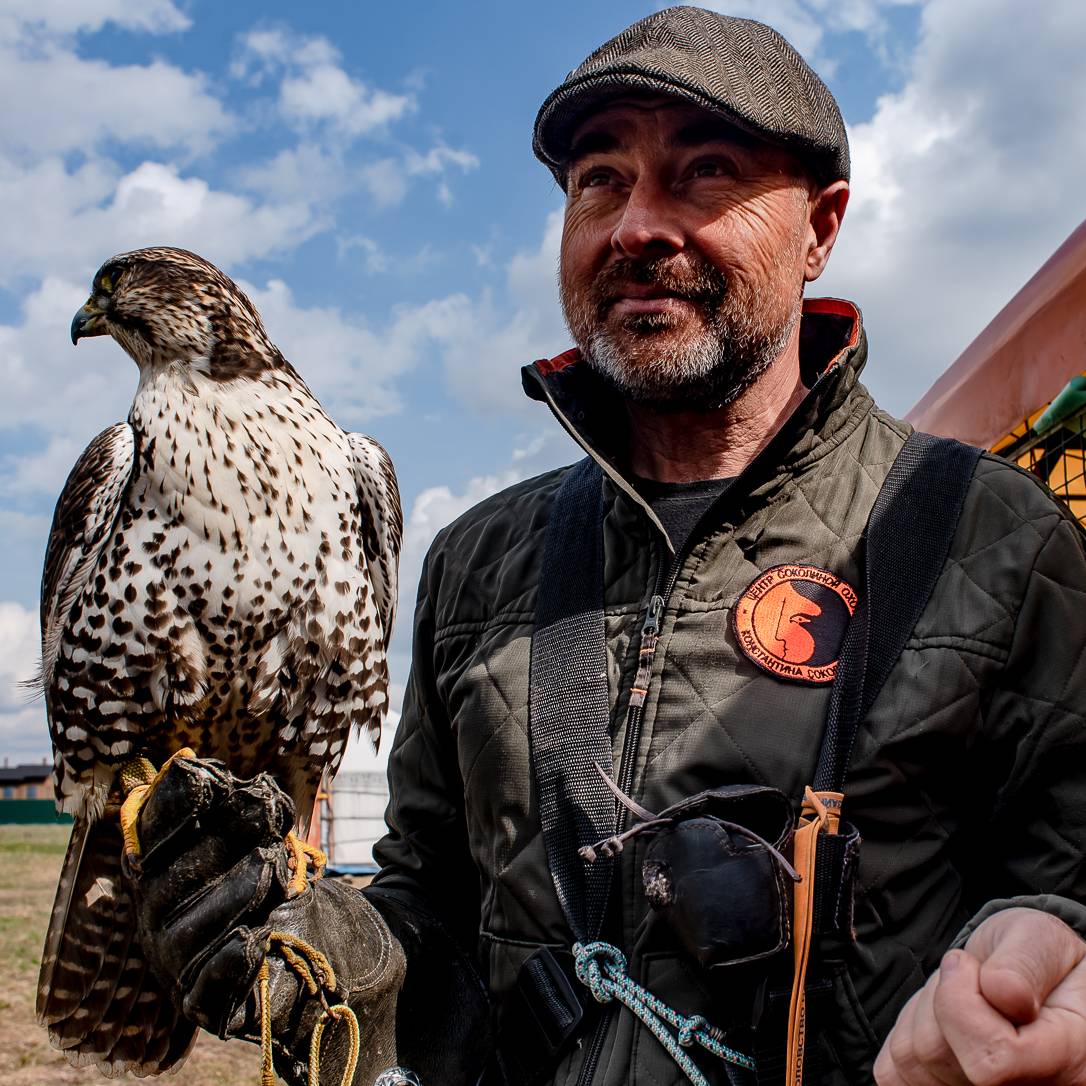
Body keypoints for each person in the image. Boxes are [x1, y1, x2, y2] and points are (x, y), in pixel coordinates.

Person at [130, 7, 1086, 1085]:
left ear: (821, 228)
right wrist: (323, 955)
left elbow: (1068, 874)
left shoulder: (996, 536)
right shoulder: (482, 561)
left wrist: (1041, 967)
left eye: (706, 171)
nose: (636, 224)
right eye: (599, 178)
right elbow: (431, 903)